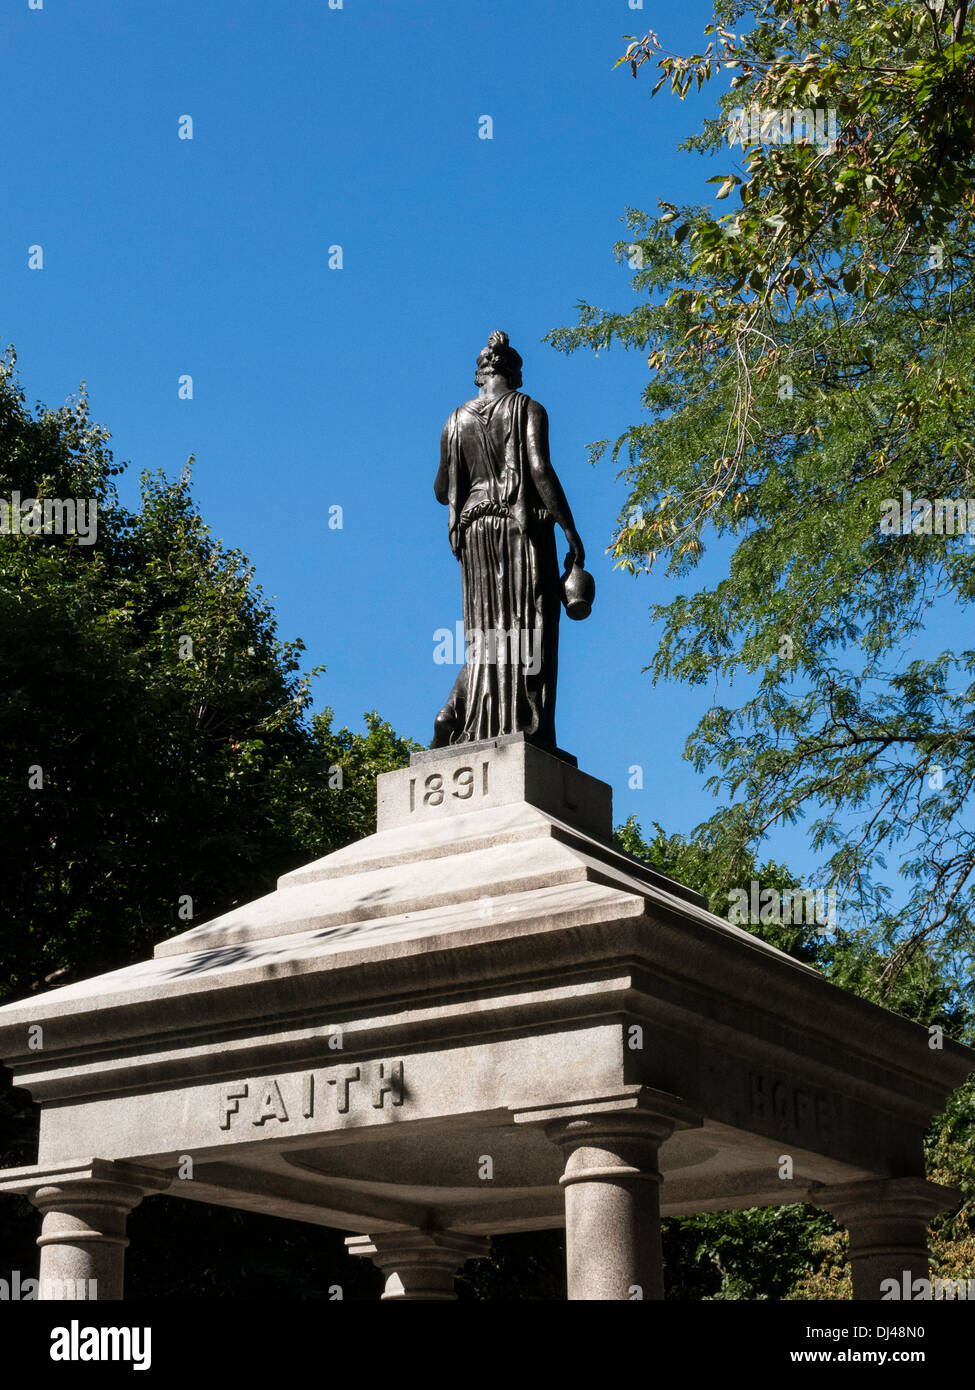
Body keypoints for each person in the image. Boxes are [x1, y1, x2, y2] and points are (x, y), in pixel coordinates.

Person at [432, 330, 585, 748]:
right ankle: (522, 723)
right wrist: (570, 529)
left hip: (475, 532)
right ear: (514, 373)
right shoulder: (527, 408)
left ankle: (459, 712)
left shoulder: (455, 420)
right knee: (528, 623)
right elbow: (539, 469)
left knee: (489, 629)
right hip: (521, 529)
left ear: (479, 375)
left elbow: (442, 488)